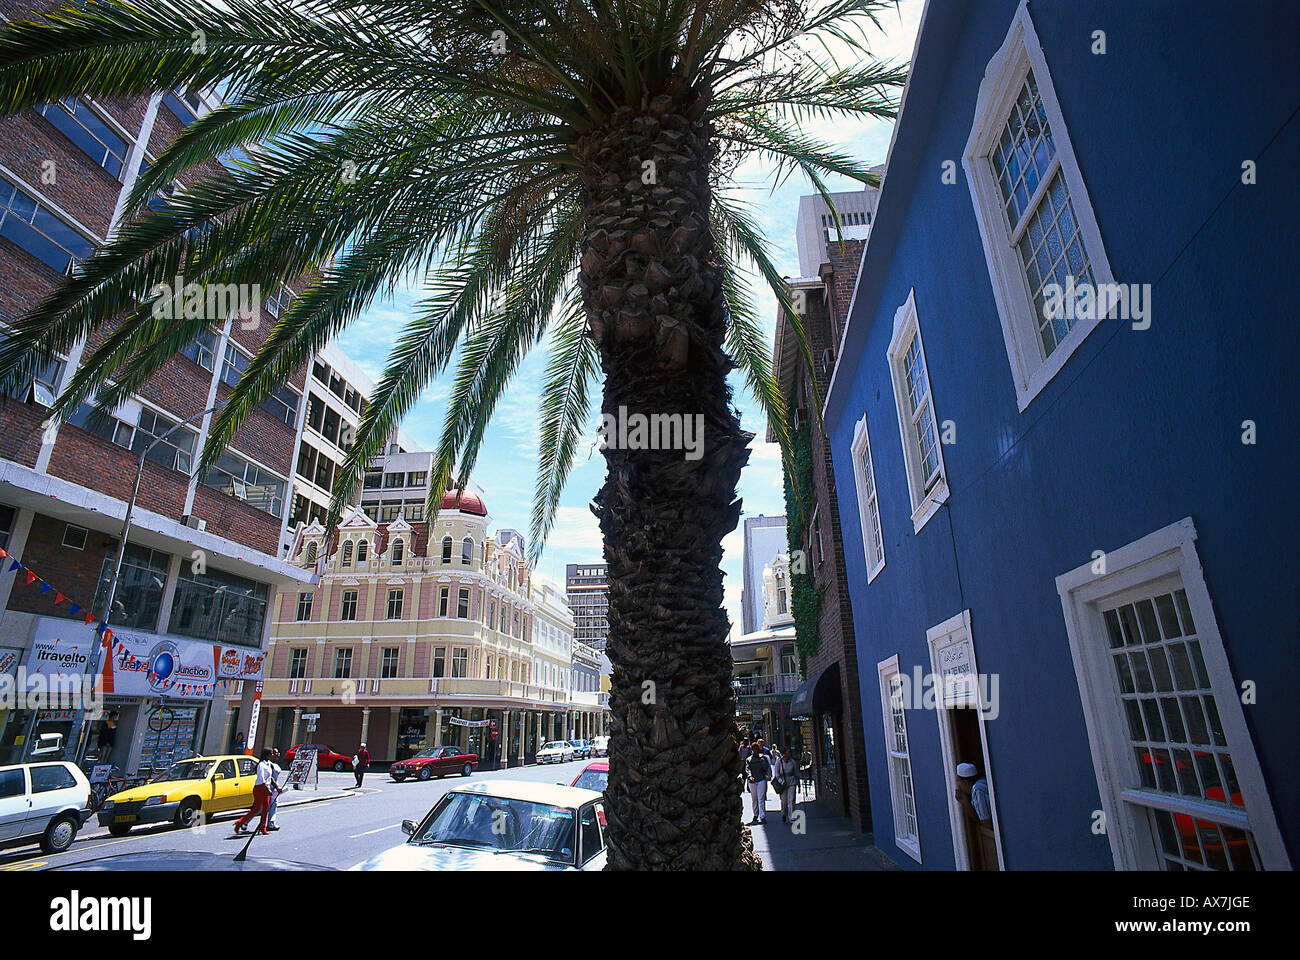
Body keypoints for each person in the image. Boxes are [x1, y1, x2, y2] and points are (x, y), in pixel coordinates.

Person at [234, 749, 277, 836]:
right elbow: (261, 779)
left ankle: (261, 827)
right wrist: (267, 789)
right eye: (271, 753)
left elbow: (270, 777)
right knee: (258, 809)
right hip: (260, 788)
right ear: (267, 755)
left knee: (265, 808)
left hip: (266, 787)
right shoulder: (261, 765)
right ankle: (240, 823)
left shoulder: (268, 764)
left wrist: (276, 787)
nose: (272, 755)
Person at [745, 738, 771, 824]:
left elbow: (766, 768)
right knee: (754, 799)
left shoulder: (763, 758)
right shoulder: (749, 759)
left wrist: (762, 760)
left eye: (757, 749)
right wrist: (750, 776)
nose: (755, 751)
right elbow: (747, 769)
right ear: (752, 750)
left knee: (761, 798)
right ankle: (755, 815)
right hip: (752, 781)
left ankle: (762, 816)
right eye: (754, 749)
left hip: (761, 780)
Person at [774, 746, 799, 824]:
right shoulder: (779, 761)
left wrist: (798, 782)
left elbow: (796, 772)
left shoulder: (792, 761)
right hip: (783, 784)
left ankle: (791, 817)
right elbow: (776, 774)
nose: (789, 754)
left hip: (792, 782)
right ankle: (783, 814)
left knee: (791, 800)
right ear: (784, 753)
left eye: (790, 752)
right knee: (784, 801)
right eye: (788, 752)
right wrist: (781, 781)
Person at [266, 748, 287, 831]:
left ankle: (271, 823)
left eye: (278, 752)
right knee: (262, 808)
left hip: (275, 788)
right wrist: (276, 787)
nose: (278, 754)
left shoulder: (275, 764)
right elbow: (270, 777)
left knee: (273, 805)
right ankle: (244, 822)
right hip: (271, 788)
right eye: (276, 753)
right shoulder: (269, 764)